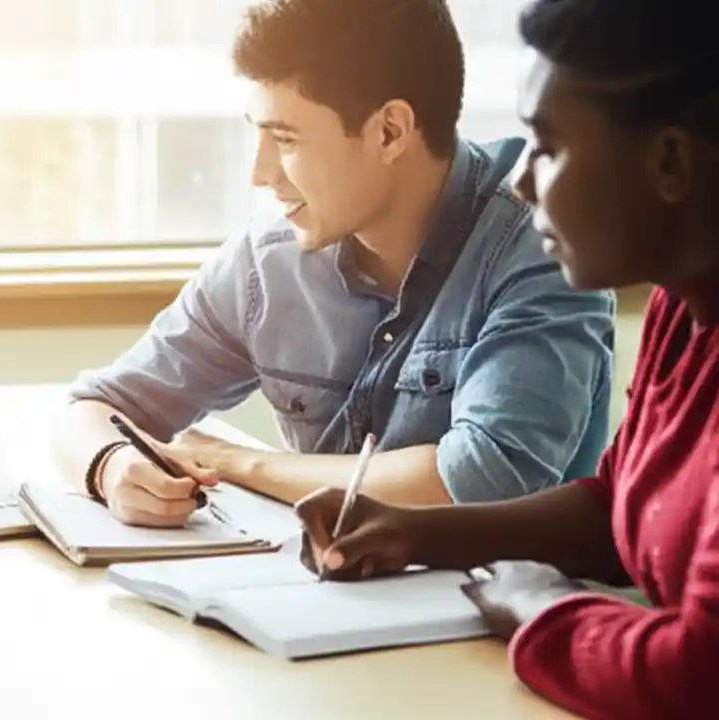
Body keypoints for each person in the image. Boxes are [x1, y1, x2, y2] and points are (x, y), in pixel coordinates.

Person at [293, 0, 719, 716]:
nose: (521, 184)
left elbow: (698, 676)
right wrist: (413, 531)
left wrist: (540, 606)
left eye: (549, 149)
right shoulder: (689, 305)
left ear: (669, 161)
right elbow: (620, 503)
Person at [53, 0, 615, 528]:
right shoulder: (268, 262)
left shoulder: (546, 242)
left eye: (285, 138)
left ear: (390, 131)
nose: (260, 172)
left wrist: (238, 463)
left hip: (503, 619)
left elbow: (487, 478)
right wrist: (110, 465)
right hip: (316, 605)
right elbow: (95, 407)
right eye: (257, 135)